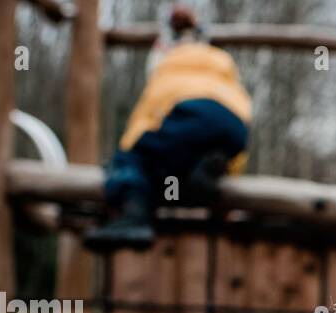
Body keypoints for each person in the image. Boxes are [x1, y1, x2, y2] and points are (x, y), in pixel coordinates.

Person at [85, 6, 252, 251]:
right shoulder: (223, 65)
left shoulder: (166, 69)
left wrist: (126, 156)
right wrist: (233, 171)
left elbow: (145, 119)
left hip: (188, 112)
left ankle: (134, 217)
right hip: (234, 124)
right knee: (185, 151)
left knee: (134, 158)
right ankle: (208, 167)